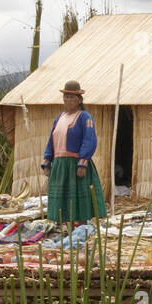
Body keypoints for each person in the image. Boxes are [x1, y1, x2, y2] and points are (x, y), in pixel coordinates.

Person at [42, 80, 107, 231]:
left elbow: (89, 139)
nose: (69, 100)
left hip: (75, 163)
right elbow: (51, 139)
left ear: (79, 100)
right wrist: (47, 160)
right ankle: (62, 228)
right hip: (60, 165)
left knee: (77, 196)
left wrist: (83, 162)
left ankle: (81, 228)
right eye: (66, 97)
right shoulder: (59, 118)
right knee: (61, 196)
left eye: (72, 97)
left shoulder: (85, 117)